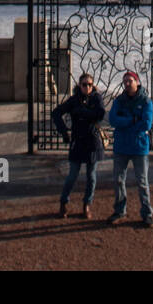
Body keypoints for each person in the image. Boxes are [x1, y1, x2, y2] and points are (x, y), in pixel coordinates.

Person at [50, 73, 105, 219]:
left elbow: (100, 114)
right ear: (79, 85)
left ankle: (87, 204)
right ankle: (63, 202)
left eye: (90, 84)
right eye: (84, 84)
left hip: (92, 142)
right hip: (78, 141)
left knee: (91, 176)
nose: (87, 87)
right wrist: (64, 132)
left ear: (93, 86)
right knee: (72, 175)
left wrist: (83, 112)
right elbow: (56, 113)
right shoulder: (74, 100)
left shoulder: (96, 98)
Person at [108, 70, 153, 228]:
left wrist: (125, 123)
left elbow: (146, 124)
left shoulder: (146, 101)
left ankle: (147, 213)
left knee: (142, 181)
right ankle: (120, 210)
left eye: (130, 81)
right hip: (122, 146)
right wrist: (132, 120)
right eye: (125, 81)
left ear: (137, 82)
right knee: (118, 180)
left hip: (138, 147)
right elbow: (112, 119)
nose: (127, 84)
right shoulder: (119, 101)